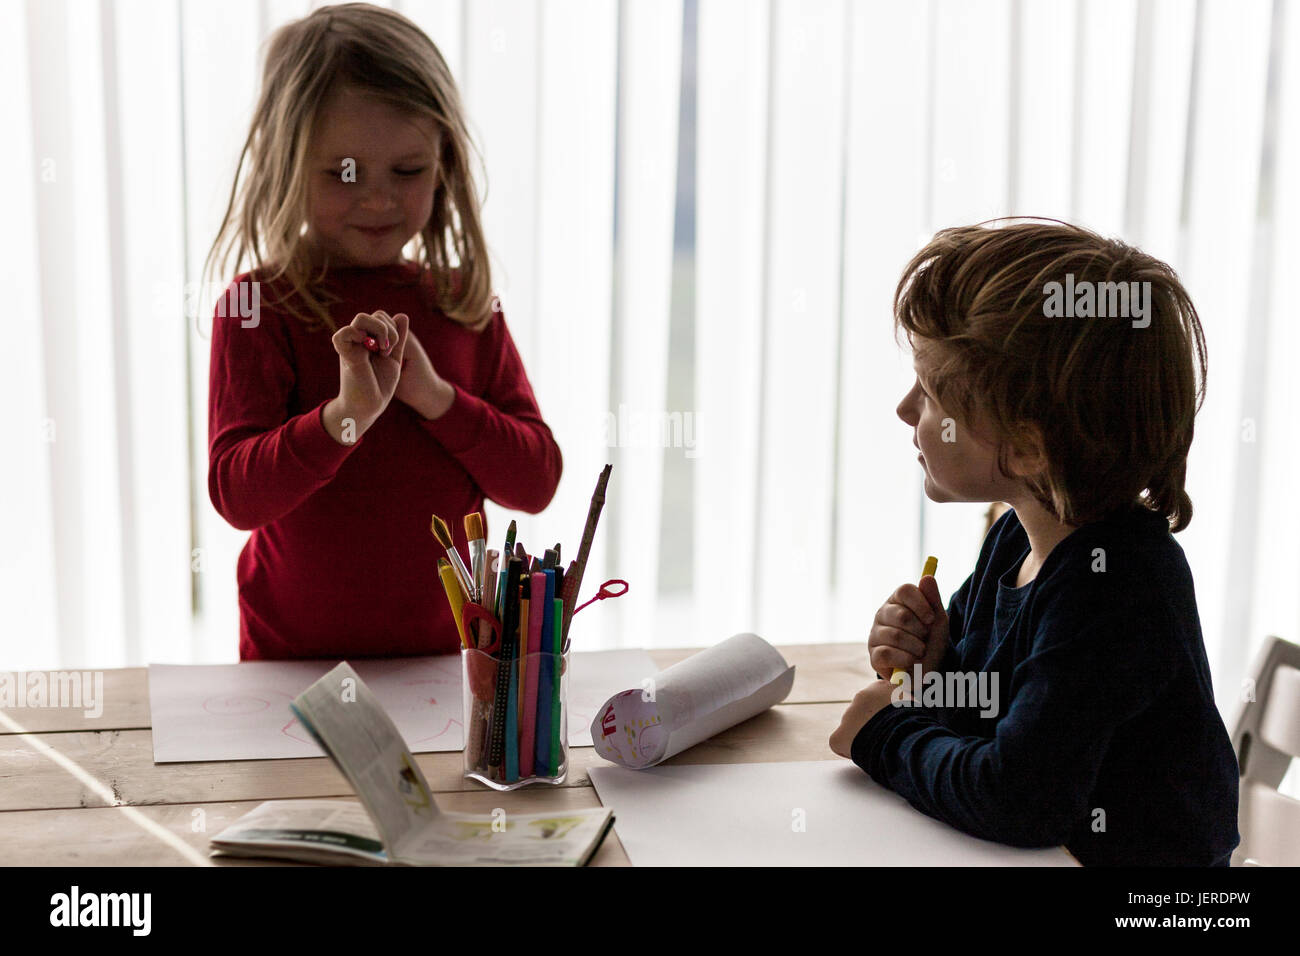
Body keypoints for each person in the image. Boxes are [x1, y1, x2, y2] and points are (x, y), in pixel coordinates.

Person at [829, 219, 1239, 866]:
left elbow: (1020, 795)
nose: (907, 411)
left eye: (932, 394)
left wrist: (884, 736)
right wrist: (934, 674)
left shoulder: (1114, 586)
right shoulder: (1017, 539)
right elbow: (996, 717)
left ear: (1025, 448)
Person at [204, 3, 560, 660]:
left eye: (407, 171)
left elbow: (536, 481)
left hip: (450, 670)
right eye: (343, 172)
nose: (377, 199)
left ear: (444, 164)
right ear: (287, 164)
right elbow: (236, 495)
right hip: (291, 679)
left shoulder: (464, 302)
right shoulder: (254, 307)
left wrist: (436, 399)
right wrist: (344, 417)